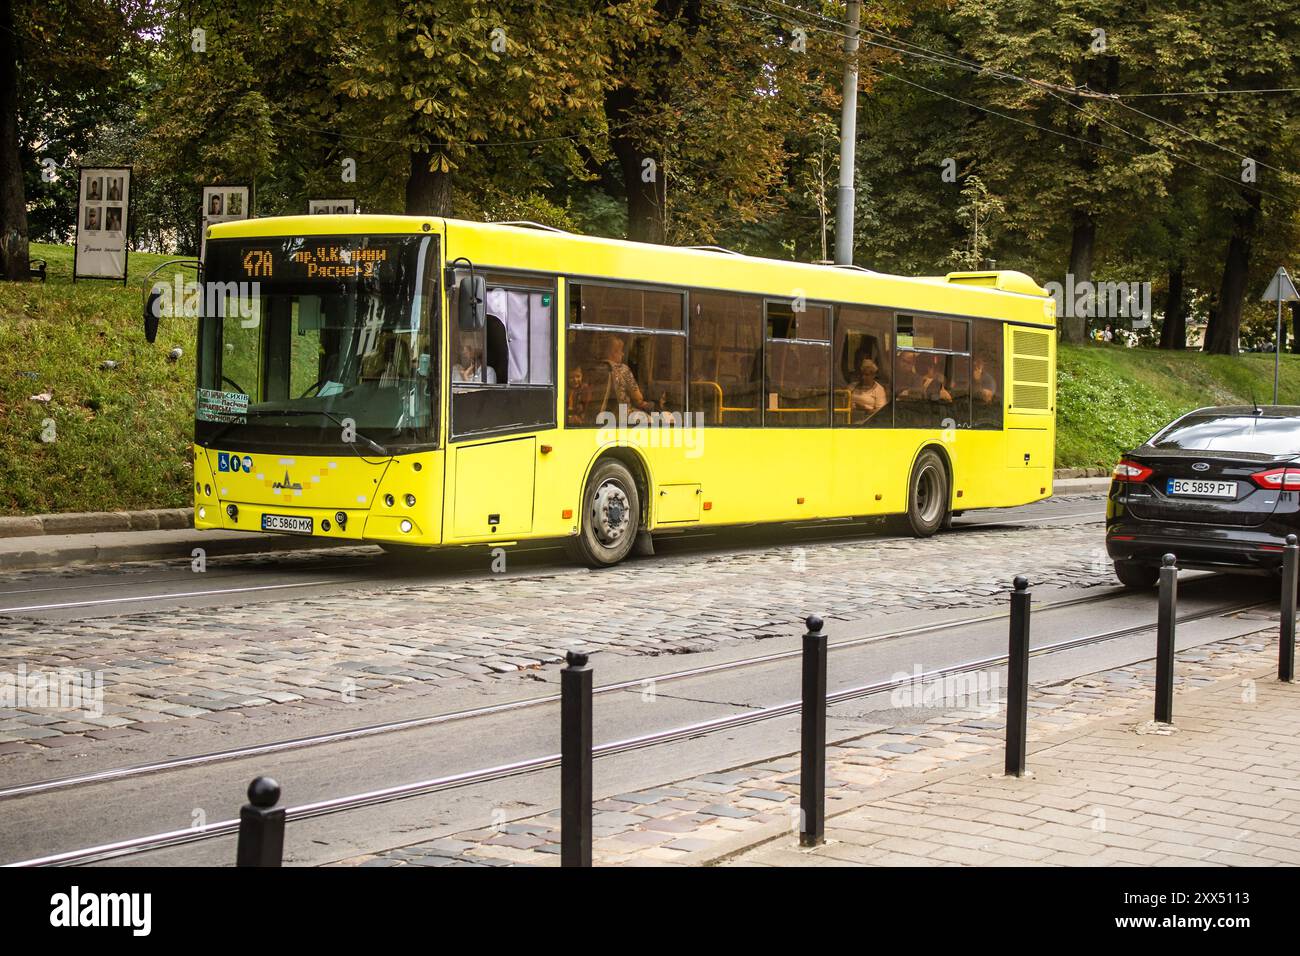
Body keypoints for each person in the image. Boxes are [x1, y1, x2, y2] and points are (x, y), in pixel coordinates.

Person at [598, 334, 660, 415]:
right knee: (653, 420)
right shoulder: (622, 369)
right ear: (613, 353)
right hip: (622, 416)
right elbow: (638, 398)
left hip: (598, 416)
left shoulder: (594, 368)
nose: (623, 354)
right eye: (621, 351)